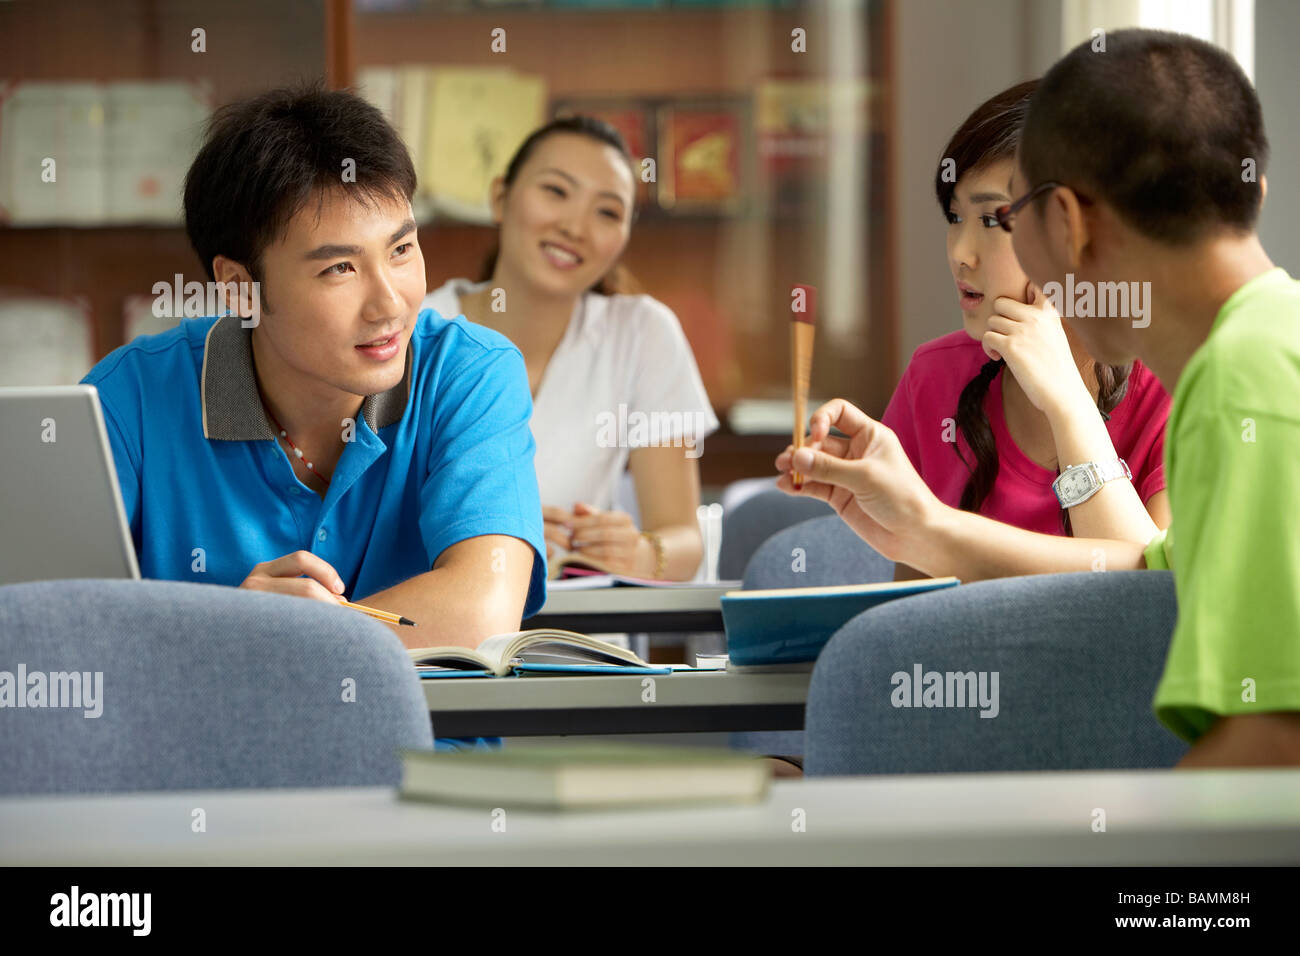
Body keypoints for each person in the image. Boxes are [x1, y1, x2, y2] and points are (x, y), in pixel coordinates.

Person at [778, 29, 1300, 766]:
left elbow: (1274, 738)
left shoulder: (1240, 376)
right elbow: (1147, 583)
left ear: (1067, 223)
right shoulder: (1268, 342)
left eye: (1006, 221)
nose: (972, 252)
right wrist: (920, 526)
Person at [80, 85, 546, 652]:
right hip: (213, 745)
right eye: (340, 269)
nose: (390, 304)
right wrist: (238, 630)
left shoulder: (470, 373)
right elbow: (64, 636)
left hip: (424, 742)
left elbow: (482, 612)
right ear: (240, 288)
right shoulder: (125, 402)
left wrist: (265, 638)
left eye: (401, 250)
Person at [884, 80, 1170, 583]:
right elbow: (915, 623)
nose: (960, 252)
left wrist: (1067, 401)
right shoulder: (933, 376)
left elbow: (1152, 604)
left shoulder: (1177, 386)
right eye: (955, 216)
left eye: (995, 220)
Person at [423, 116, 718, 582]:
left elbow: (683, 540)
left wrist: (641, 553)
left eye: (607, 212)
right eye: (556, 191)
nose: (576, 227)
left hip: (586, 640)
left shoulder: (643, 334)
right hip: (449, 636)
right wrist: (494, 537)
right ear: (501, 198)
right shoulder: (418, 332)